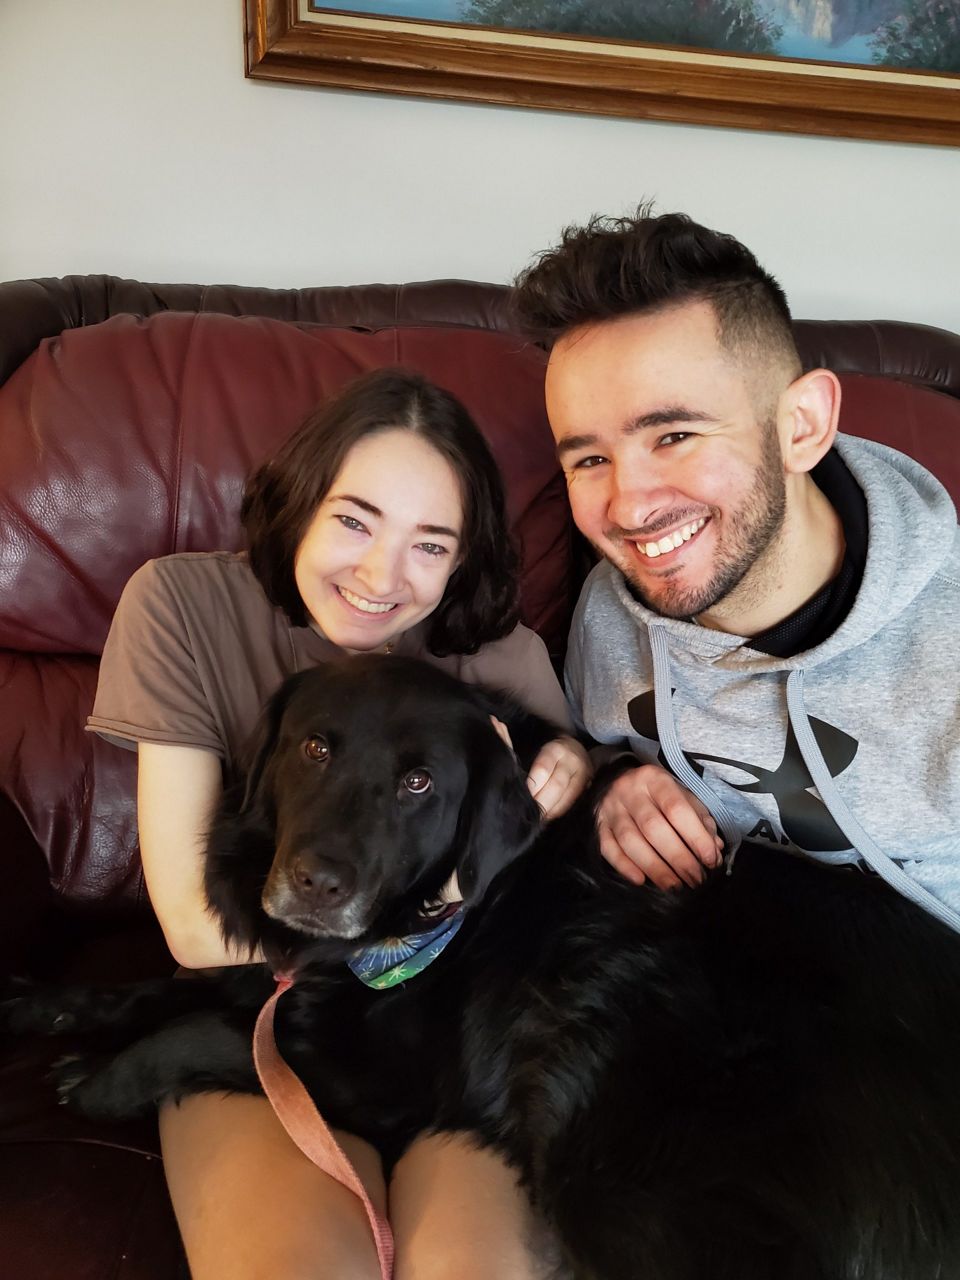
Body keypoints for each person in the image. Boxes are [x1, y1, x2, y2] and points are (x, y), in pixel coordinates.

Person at [87, 367, 590, 1280]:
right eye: (355, 520)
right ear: (300, 498)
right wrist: (418, 919)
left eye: (430, 546)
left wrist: (586, 765)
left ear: (466, 561)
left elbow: (543, 883)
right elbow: (200, 931)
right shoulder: (182, 606)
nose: (379, 576)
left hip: (454, 1047)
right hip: (260, 1010)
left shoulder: (504, 661)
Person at [512, 207, 960, 935]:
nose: (628, 507)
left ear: (803, 426)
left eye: (675, 435)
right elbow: (589, 755)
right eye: (590, 459)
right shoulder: (610, 607)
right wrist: (613, 782)